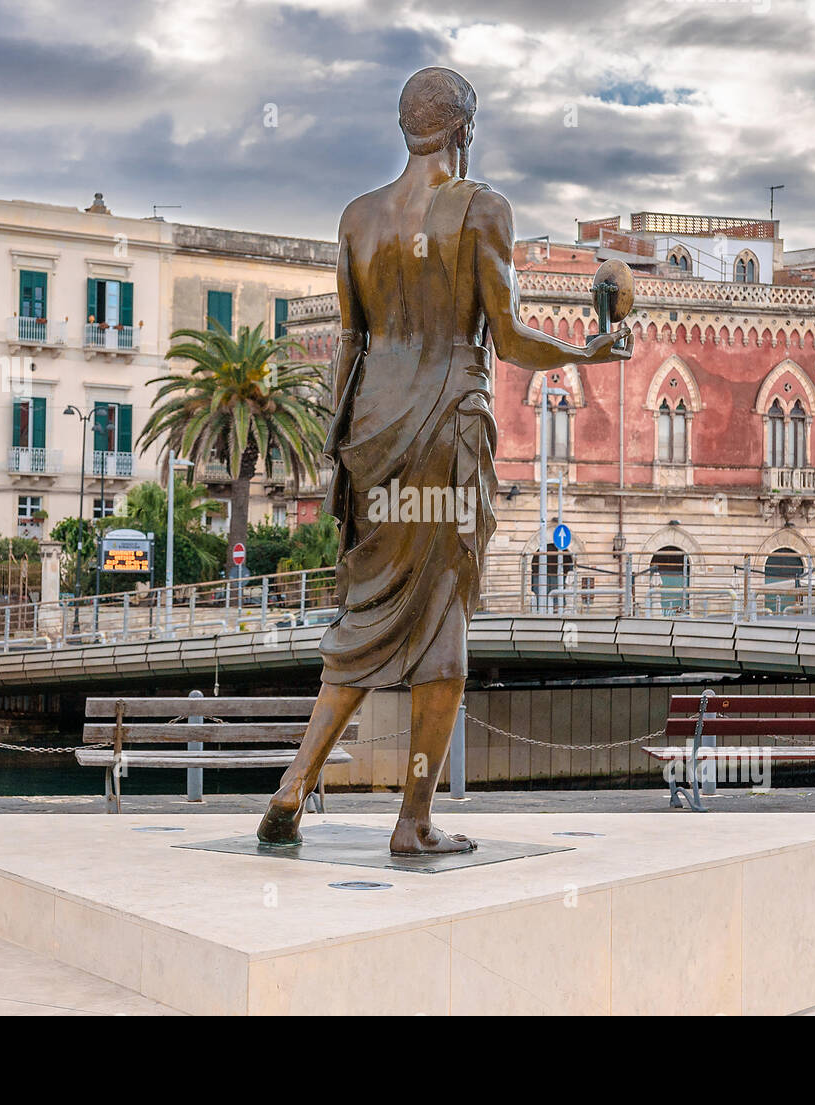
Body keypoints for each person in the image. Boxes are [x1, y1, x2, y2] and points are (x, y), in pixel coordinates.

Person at [258, 67, 630, 854]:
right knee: (444, 627)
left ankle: (296, 779)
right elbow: (509, 333)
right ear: (464, 128)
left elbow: (350, 347)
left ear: (405, 128)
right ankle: (413, 818)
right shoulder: (480, 208)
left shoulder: (358, 217)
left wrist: (338, 448)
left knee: (365, 615)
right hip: (447, 427)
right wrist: (587, 354)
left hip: (372, 431)